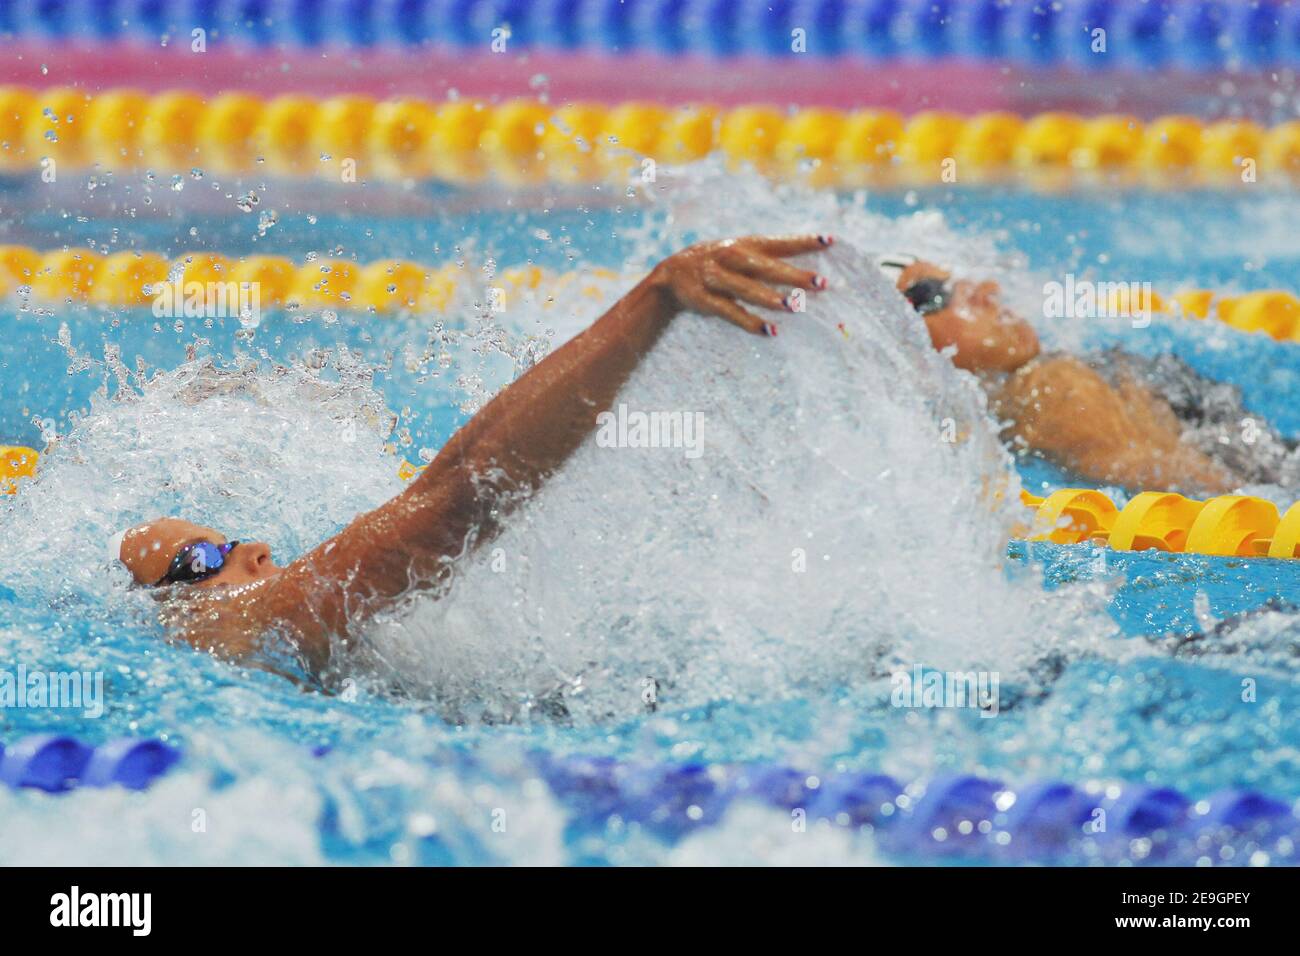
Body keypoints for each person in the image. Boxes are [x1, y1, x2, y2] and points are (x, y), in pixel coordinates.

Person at [114, 235, 833, 673]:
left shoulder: (281, 635)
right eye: (202, 560)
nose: (257, 550)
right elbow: (463, 498)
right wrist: (655, 299)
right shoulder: (248, 625)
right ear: (170, 617)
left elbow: (443, 480)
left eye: (228, 539)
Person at [886, 257, 1294, 496]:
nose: (984, 289)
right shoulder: (1015, 395)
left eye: (959, 280)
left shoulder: (1046, 386)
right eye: (931, 294)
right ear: (908, 351)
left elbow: (1202, 483)